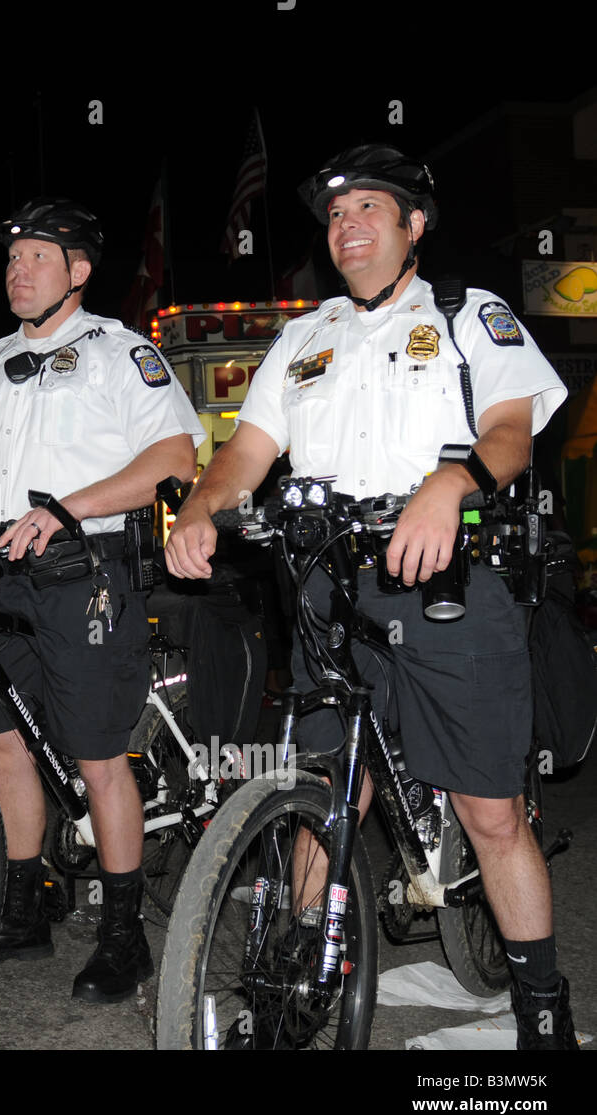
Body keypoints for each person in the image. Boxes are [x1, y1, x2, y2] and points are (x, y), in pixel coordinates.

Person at [164, 144, 577, 1050]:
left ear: (413, 225)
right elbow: (246, 451)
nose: (346, 227)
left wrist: (453, 479)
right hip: (324, 590)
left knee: (488, 809)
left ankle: (543, 1008)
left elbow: (512, 428)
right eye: (336, 214)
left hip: (446, 585)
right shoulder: (306, 336)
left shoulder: (469, 315)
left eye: (369, 211)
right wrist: (200, 506)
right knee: (323, 788)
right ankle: (300, 970)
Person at [0, 199, 203, 1003]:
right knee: (0, 745)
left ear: (79, 272)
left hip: (82, 572)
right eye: (12, 258)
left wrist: (68, 506)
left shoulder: (121, 353)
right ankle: (24, 912)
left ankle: (124, 937)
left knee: (97, 759)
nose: (18, 269)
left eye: (37, 256)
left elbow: (173, 455)